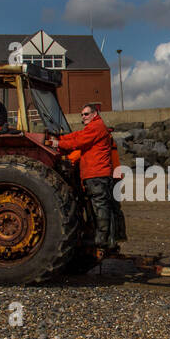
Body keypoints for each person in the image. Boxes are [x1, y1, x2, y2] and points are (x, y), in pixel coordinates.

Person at [49, 104, 121, 257]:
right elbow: (76, 136)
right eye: (82, 115)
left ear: (95, 114)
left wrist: (58, 143)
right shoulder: (93, 128)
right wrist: (60, 138)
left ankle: (103, 240)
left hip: (97, 175)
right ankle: (103, 239)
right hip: (93, 175)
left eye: (86, 114)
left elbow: (78, 142)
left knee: (100, 206)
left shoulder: (97, 127)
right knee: (97, 206)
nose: (83, 117)